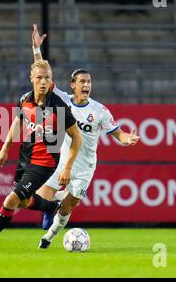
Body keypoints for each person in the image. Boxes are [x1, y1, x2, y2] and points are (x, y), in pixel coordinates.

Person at [30, 24, 140, 249]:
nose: (87, 85)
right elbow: (42, 77)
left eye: (89, 82)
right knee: (40, 200)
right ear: (73, 85)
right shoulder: (62, 99)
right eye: (82, 81)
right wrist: (36, 50)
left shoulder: (99, 111)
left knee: (67, 208)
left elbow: (117, 133)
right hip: (60, 163)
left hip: (85, 168)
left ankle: (47, 238)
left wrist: (127, 138)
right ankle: (51, 206)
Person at [0, 59, 83, 253]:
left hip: (45, 163)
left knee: (11, 201)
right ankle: (49, 207)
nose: (43, 81)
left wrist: (68, 167)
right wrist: (4, 149)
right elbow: (17, 122)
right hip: (25, 159)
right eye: (39, 77)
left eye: (47, 77)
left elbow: (77, 138)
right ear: (31, 78)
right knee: (22, 201)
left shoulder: (59, 107)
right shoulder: (25, 100)